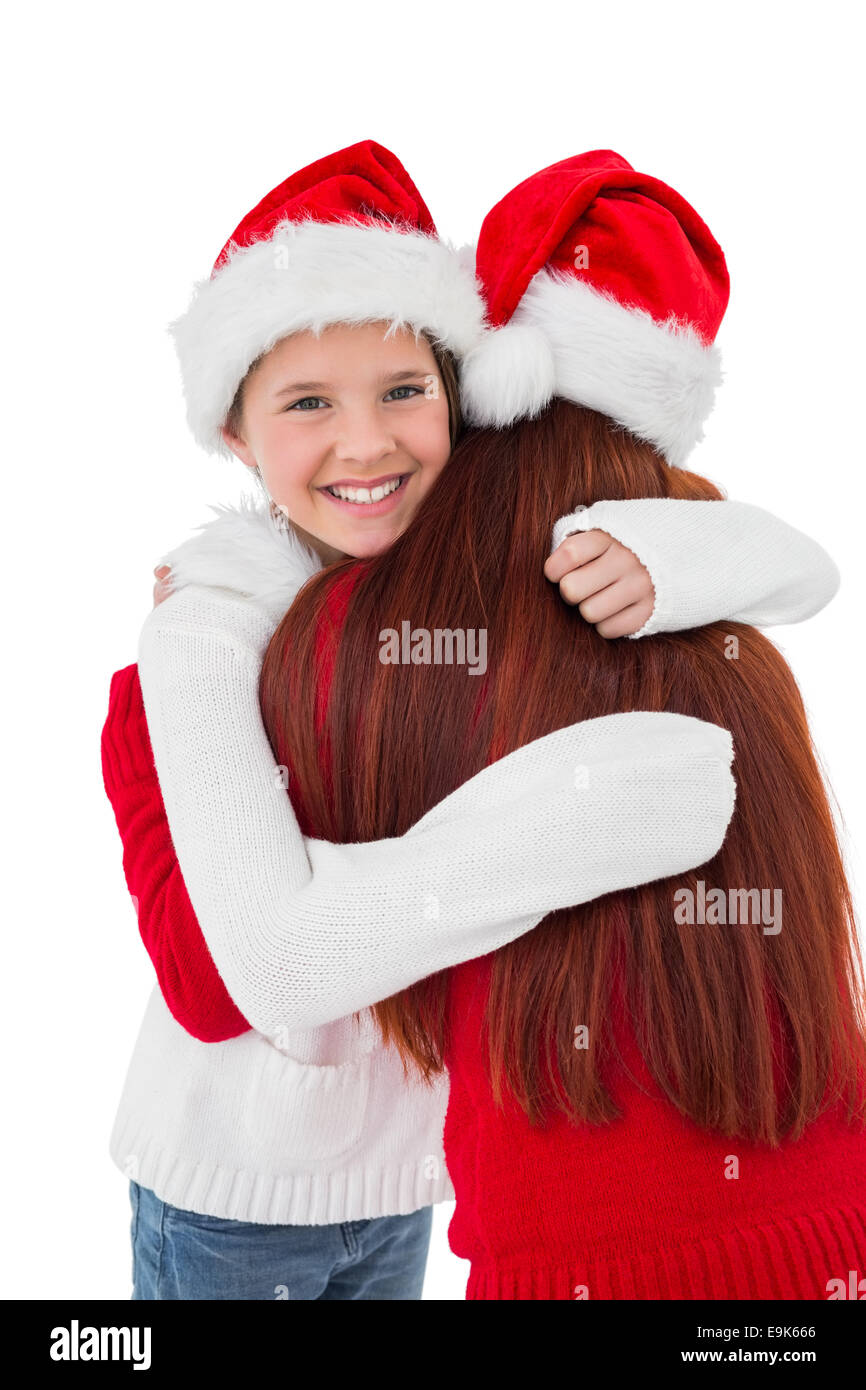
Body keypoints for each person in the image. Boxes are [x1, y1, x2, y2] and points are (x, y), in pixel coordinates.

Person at [102, 142, 838, 1300]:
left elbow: (801, 569)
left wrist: (690, 551)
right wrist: (579, 819)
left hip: (404, 1187)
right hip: (232, 1199)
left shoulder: (459, 612)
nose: (366, 444)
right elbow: (215, 977)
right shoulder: (201, 642)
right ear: (236, 438)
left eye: (405, 391)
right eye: (307, 404)